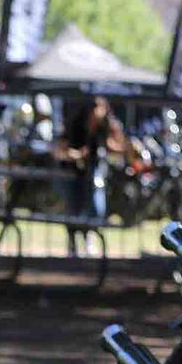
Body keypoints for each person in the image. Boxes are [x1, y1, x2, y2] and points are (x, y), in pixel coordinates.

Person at [59, 95, 125, 252]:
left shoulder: (104, 126)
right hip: (73, 170)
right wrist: (77, 154)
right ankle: (73, 244)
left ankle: (90, 237)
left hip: (93, 170)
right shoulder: (76, 124)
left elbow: (114, 145)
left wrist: (126, 146)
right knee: (74, 206)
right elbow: (62, 148)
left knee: (96, 204)